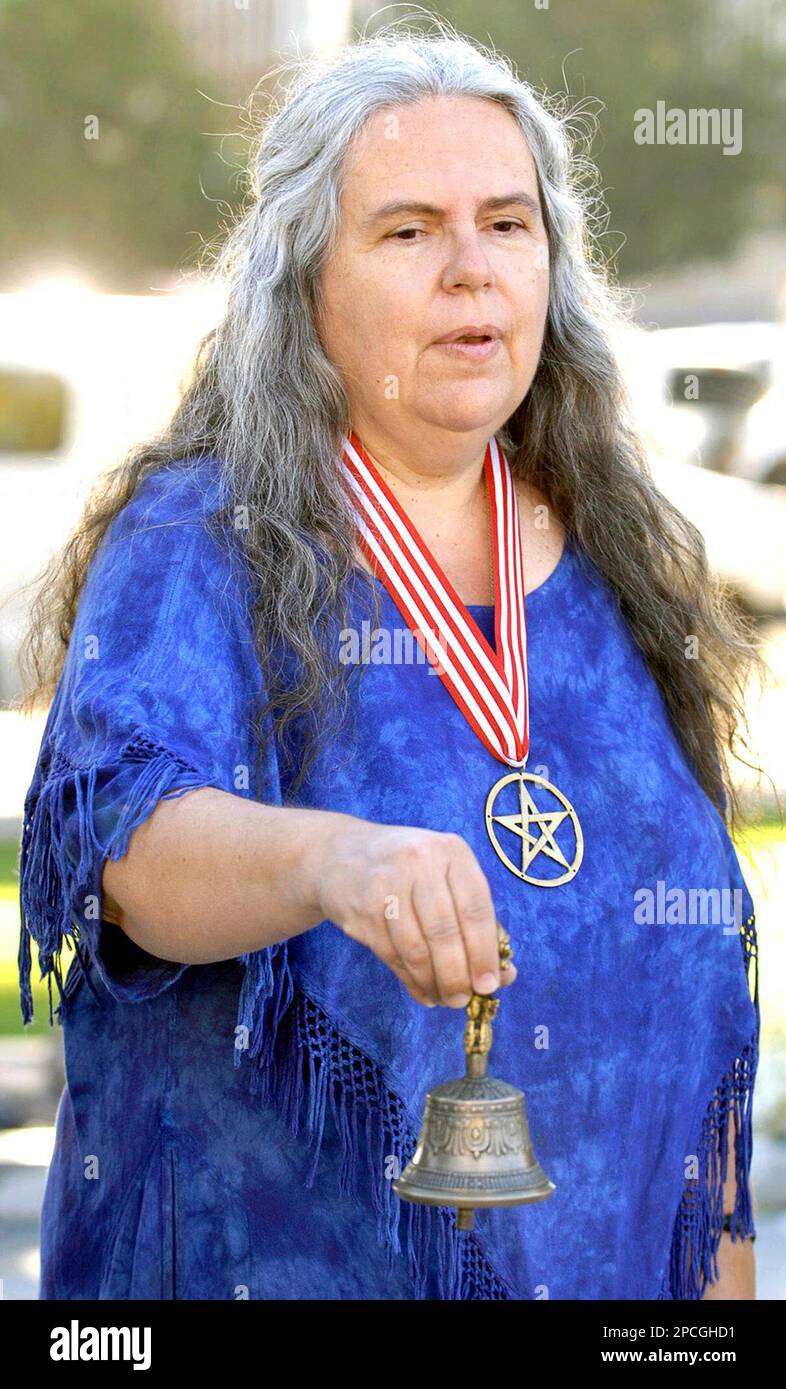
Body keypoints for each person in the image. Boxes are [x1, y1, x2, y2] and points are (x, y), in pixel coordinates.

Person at [16, 24, 763, 1301]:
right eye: (409, 231)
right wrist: (332, 858)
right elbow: (123, 852)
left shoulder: (630, 564)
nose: (471, 272)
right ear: (305, 286)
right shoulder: (204, 541)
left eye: (507, 225)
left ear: (555, 268)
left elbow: (696, 1115)